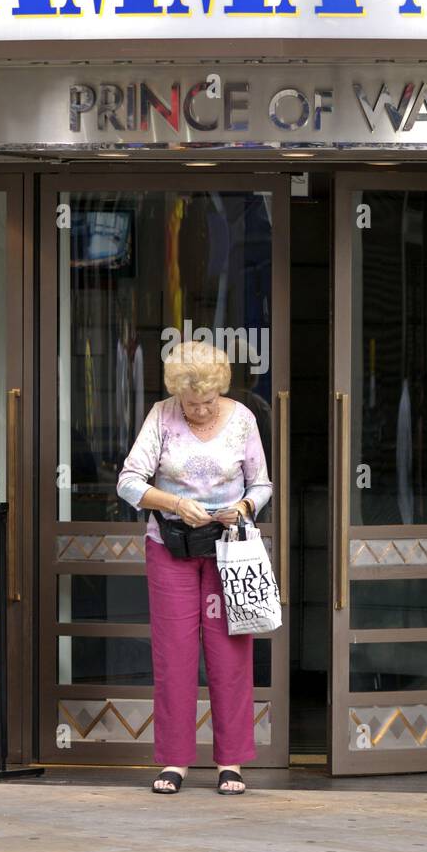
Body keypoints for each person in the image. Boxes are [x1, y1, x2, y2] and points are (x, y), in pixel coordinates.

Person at [117, 339, 272, 794]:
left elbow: (261, 484)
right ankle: (175, 761)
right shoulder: (161, 416)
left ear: (219, 390)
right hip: (170, 545)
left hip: (229, 549)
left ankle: (231, 762)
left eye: (208, 401)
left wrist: (242, 506)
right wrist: (175, 503)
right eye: (191, 403)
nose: (200, 410)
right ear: (177, 394)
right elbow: (129, 482)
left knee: (230, 652)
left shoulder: (242, 418)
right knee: (174, 654)